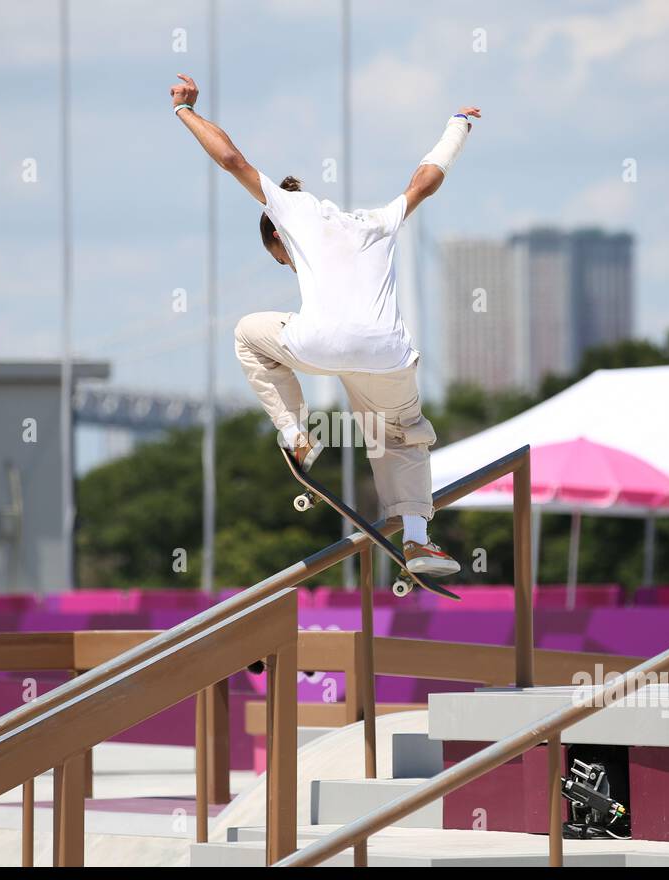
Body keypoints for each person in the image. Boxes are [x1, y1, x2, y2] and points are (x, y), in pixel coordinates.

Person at [170, 73, 475, 577]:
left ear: (277, 234)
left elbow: (231, 160)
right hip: (386, 353)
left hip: (319, 344)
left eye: (280, 258)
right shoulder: (379, 221)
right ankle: (420, 541)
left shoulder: (287, 209)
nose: (286, 264)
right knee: (399, 436)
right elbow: (425, 180)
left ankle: (296, 433)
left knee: (249, 332)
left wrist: (184, 111)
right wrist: (458, 126)